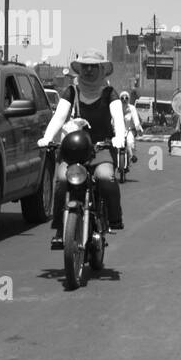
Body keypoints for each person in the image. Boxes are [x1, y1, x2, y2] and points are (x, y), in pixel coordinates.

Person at [37, 50, 125, 247]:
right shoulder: (71, 91)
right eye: (85, 67)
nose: (89, 71)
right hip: (73, 148)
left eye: (94, 67)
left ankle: (114, 218)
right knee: (61, 180)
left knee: (105, 178)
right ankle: (60, 228)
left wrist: (119, 137)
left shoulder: (109, 93)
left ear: (102, 70)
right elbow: (59, 117)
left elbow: (118, 118)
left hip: (100, 148)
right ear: (79, 70)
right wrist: (47, 137)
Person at [119, 90, 143, 164]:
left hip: (130, 130)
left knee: (130, 142)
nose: (124, 100)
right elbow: (113, 120)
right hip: (119, 130)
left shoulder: (132, 108)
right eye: (122, 98)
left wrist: (138, 128)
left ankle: (132, 156)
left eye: (126, 98)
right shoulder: (117, 109)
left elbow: (136, 119)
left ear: (128, 99)